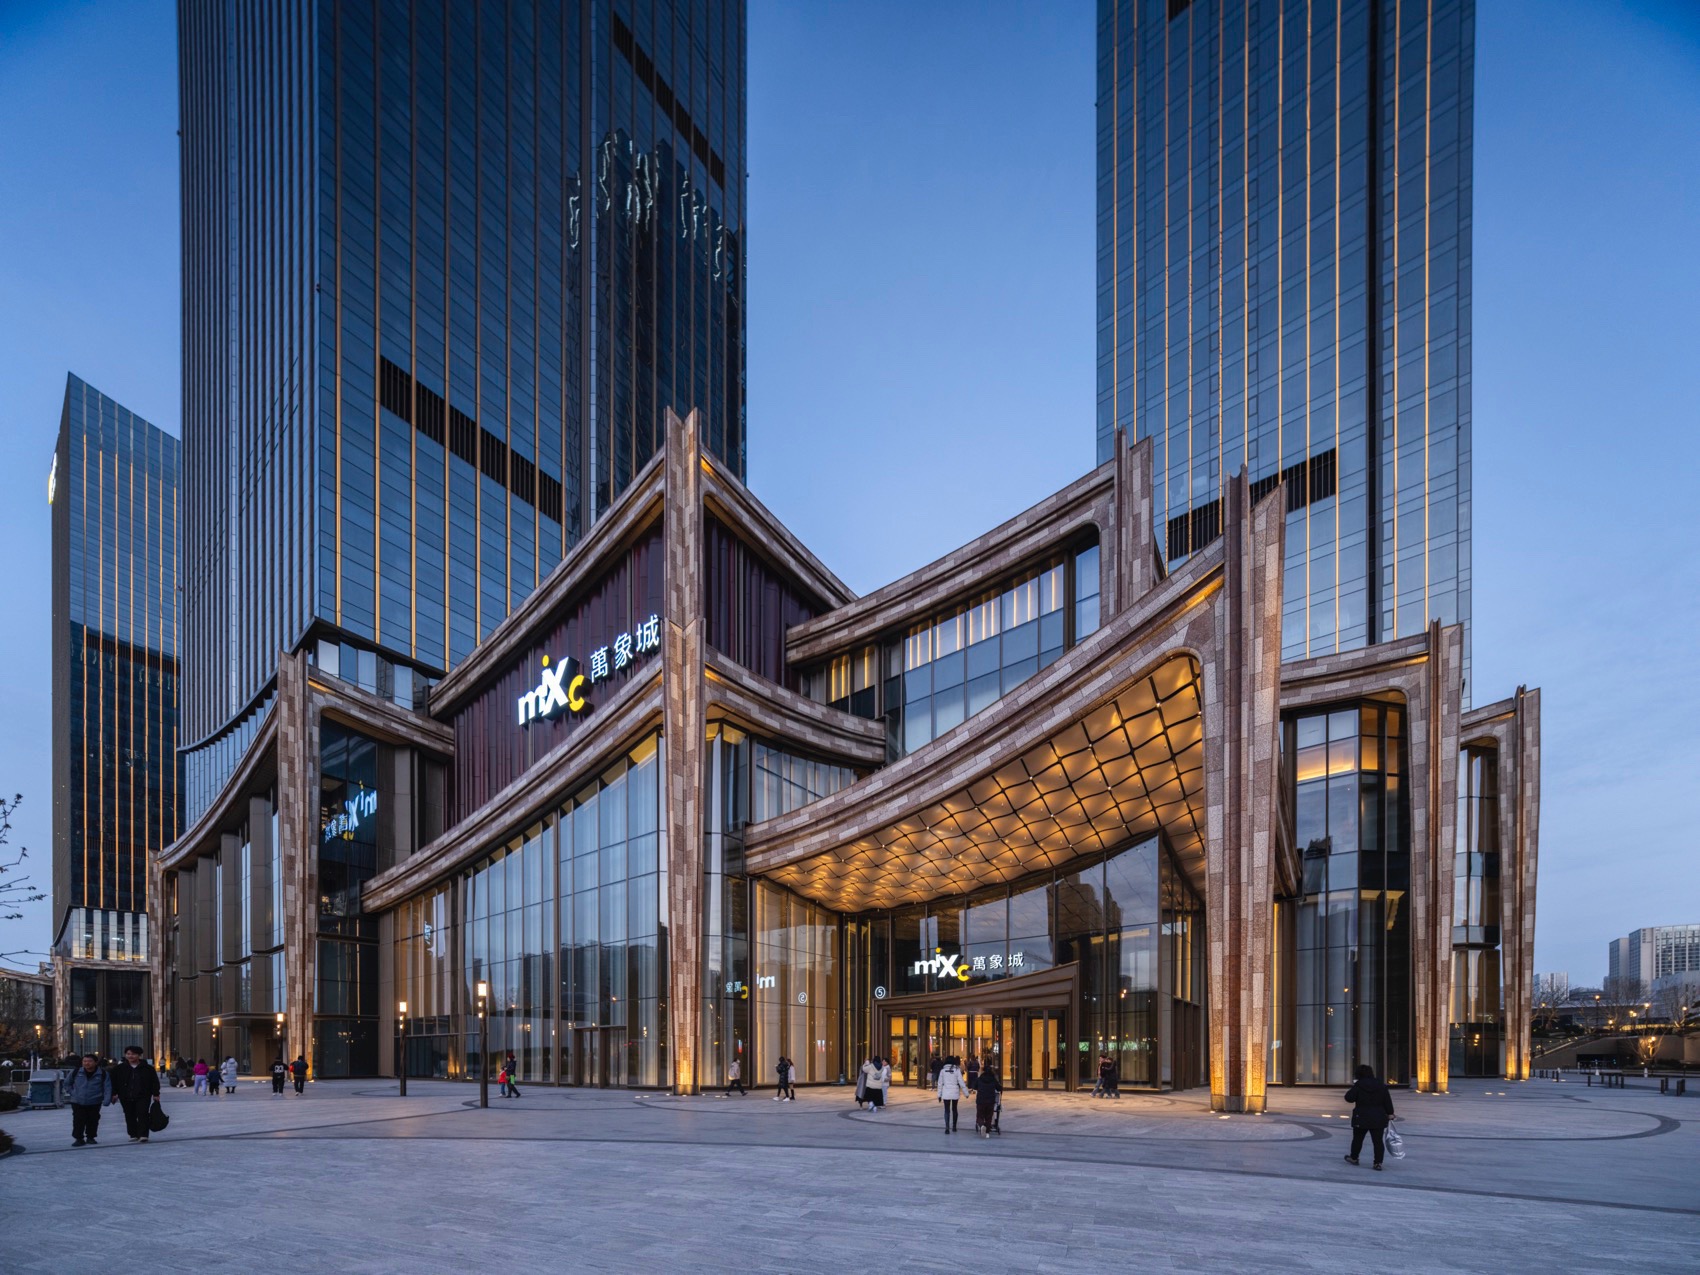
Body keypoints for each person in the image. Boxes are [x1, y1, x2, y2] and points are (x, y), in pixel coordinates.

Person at [1343, 1063, 1396, 1170]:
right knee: (1378, 1141)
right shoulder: (1381, 1085)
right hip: (1378, 1116)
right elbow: (1387, 1100)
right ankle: (1378, 1163)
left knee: (1358, 1139)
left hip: (1361, 1116)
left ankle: (1354, 1158)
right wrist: (1390, 1113)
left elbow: (1349, 1098)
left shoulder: (1359, 1085)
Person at [108, 1045, 161, 1143]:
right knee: (129, 1115)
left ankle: (143, 1135)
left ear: (139, 1055)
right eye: (128, 1054)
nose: (130, 1056)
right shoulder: (119, 1068)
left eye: (133, 1054)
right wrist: (114, 1093)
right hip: (125, 1095)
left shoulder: (148, 1068)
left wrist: (156, 1094)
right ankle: (133, 1134)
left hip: (143, 1095)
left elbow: (154, 1082)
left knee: (143, 1114)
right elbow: (114, 1082)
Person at [66, 1053, 112, 1146]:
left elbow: (107, 1087)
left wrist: (107, 1100)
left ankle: (91, 1137)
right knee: (78, 1120)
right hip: (78, 1101)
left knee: (93, 1120)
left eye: (90, 1061)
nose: (87, 1063)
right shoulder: (76, 1072)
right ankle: (79, 1138)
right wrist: (73, 1093)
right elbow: (67, 1083)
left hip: (95, 1101)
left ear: (95, 1062)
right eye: (84, 1061)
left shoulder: (102, 1073)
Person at [936, 1055, 967, 1134]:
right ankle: (954, 1127)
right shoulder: (957, 1070)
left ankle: (947, 1127)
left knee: (947, 1110)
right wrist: (966, 1093)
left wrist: (939, 1095)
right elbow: (961, 1082)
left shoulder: (943, 1071)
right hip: (955, 1093)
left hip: (946, 1092)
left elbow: (940, 1084)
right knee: (954, 1109)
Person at [973, 1062, 1003, 1138]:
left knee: (980, 1116)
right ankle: (987, 1132)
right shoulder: (993, 1079)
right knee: (989, 1117)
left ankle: (982, 1125)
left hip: (981, 1100)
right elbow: (999, 1088)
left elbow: (975, 1087)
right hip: (990, 1101)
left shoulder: (979, 1079)